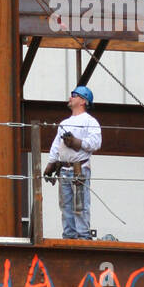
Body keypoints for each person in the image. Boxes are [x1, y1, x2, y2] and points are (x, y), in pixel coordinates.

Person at [44, 86, 102, 240]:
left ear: (83, 100)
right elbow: (56, 146)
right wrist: (51, 164)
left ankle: (83, 237)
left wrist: (77, 142)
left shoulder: (90, 121)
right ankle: (69, 237)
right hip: (64, 169)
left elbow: (96, 143)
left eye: (74, 95)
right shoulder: (65, 122)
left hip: (79, 169)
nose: (71, 97)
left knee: (80, 206)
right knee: (66, 207)